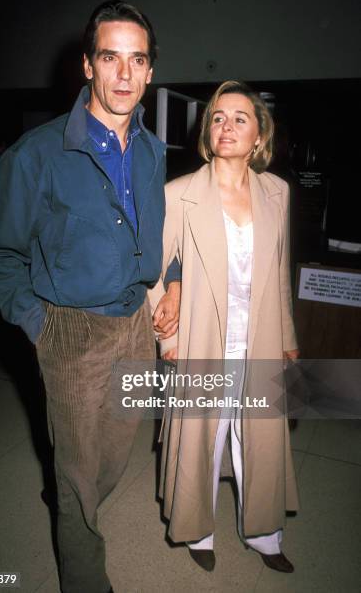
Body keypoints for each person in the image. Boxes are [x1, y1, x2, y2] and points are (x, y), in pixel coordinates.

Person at [0, 0, 180, 593]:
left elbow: (154, 233)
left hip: (134, 327)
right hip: (69, 330)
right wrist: (39, 324)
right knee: (75, 481)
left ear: (150, 71)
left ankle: (72, 486)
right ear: (87, 66)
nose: (123, 74)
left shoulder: (149, 151)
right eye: (109, 57)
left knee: (111, 459)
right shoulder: (35, 155)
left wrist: (167, 281)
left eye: (136, 60)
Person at [150, 80, 299, 574]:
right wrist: (167, 337)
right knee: (204, 438)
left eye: (240, 118)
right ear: (206, 131)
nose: (227, 126)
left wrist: (288, 340)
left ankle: (264, 534)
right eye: (218, 117)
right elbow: (155, 267)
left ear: (259, 136)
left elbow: (280, 271)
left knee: (256, 434)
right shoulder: (178, 194)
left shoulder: (277, 192)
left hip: (259, 335)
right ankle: (198, 529)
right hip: (201, 336)